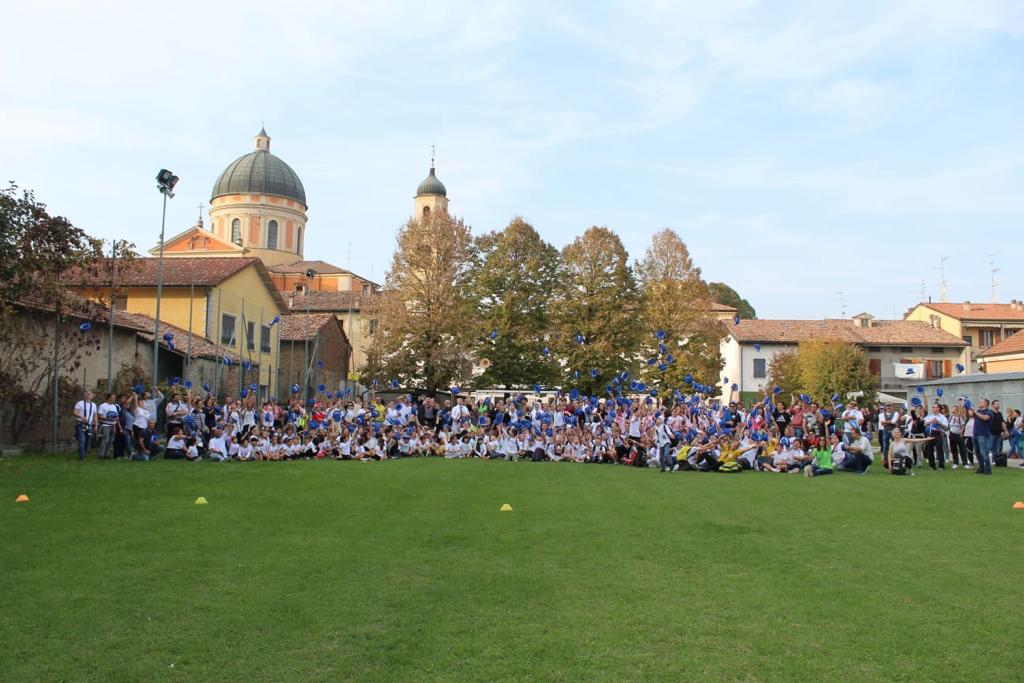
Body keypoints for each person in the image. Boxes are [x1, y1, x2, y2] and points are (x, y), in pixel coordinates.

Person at [73, 389, 98, 461]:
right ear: (84, 395)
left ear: (92, 396)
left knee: (87, 442)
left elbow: (95, 415)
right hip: (81, 424)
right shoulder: (80, 403)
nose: (88, 394)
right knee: (82, 441)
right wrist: (81, 417)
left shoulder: (93, 405)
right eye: (87, 393)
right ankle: (82, 457)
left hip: (89, 425)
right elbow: (75, 412)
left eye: (90, 393)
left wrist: (96, 425)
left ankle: (84, 454)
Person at [922, 403, 949, 470]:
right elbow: (923, 424)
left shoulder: (943, 417)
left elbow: (946, 428)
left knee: (939, 450)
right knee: (930, 450)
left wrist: (938, 423)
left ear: (939, 409)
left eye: (936, 407)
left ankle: (941, 466)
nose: (934, 409)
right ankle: (931, 465)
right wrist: (930, 422)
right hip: (930, 434)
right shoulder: (929, 416)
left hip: (938, 434)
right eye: (933, 407)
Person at [972, 399, 994, 475]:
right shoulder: (978, 411)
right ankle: (981, 467)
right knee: (977, 453)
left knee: (983, 453)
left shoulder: (989, 412)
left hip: (983, 435)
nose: (979, 403)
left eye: (981, 402)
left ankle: (988, 469)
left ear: (986, 404)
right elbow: (969, 415)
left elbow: (985, 418)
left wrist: (976, 412)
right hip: (975, 434)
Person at [96, 393, 120, 459]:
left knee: (111, 440)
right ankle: (101, 454)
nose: (114, 399)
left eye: (114, 397)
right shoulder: (103, 406)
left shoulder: (114, 406)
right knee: (105, 439)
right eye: (112, 397)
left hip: (113, 425)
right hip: (105, 425)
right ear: (108, 398)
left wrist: (115, 424)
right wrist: (108, 418)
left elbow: (116, 416)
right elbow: (99, 415)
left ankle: (107, 454)